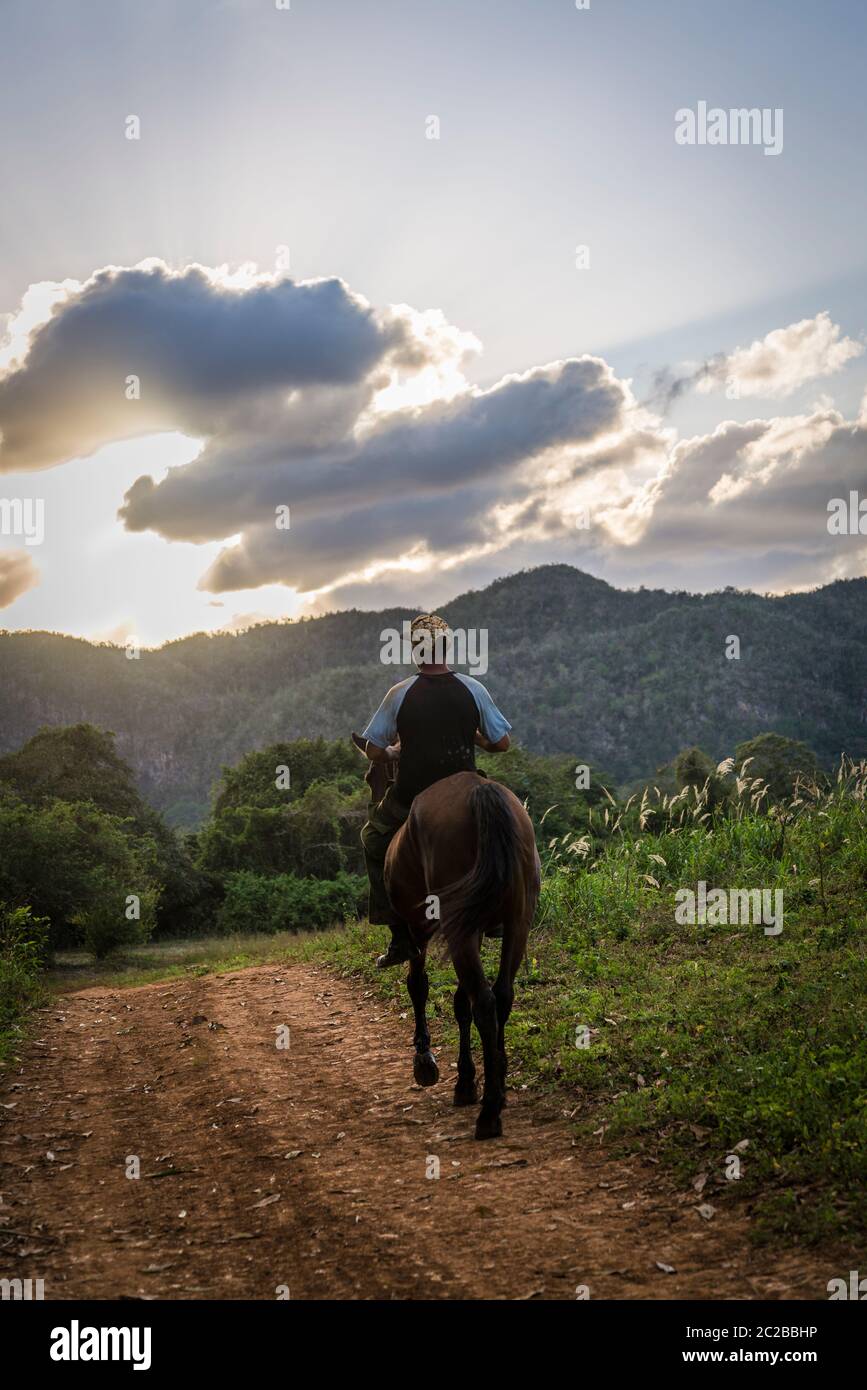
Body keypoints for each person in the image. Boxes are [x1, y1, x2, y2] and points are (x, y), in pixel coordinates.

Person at [358, 613, 512, 968]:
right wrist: (471, 735)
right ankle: (500, 917)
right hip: (466, 787)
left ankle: (399, 935)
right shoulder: (474, 689)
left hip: (412, 794)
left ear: (415, 650)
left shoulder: (399, 693)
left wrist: (393, 752)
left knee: (373, 838)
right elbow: (501, 743)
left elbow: (372, 748)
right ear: (448, 647)